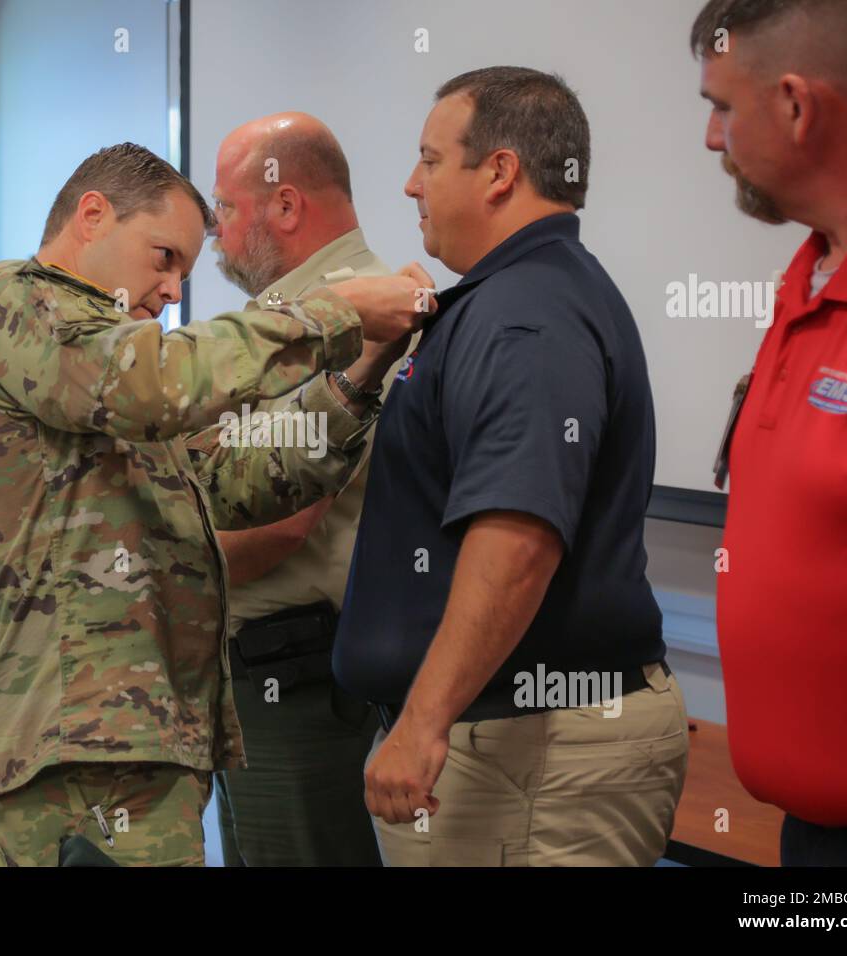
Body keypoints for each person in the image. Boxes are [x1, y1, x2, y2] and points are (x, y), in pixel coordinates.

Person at [0, 142, 429, 866]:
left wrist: (359, 377)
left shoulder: (120, 366)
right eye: (163, 257)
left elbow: (241, 483)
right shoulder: (10, 300)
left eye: (184, 273)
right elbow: (150, 383)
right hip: (76, 729)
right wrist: (333, 312)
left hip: (147, 724)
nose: (170, 290)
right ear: (93, 215)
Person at [334, 67, 688, 866]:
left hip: (528, 750)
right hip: (508, 740)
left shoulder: (525, 313)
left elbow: (518, 537)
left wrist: (422, 723)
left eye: (429, 160)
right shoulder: (517, 296)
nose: (409, 184)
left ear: (499, 171)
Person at [693, 0, 847, 865]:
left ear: (797, 105)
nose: (713, 139)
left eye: (722, 105)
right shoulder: (817, 269)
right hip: (817, 841)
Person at [210, 112, 408, 867]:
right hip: (269, 675)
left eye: (226, 209)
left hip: (296, 685)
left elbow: (281, 518)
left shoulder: (343, 318)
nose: (214, 232)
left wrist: (144, 573)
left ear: (286, 205)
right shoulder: (303, 315)